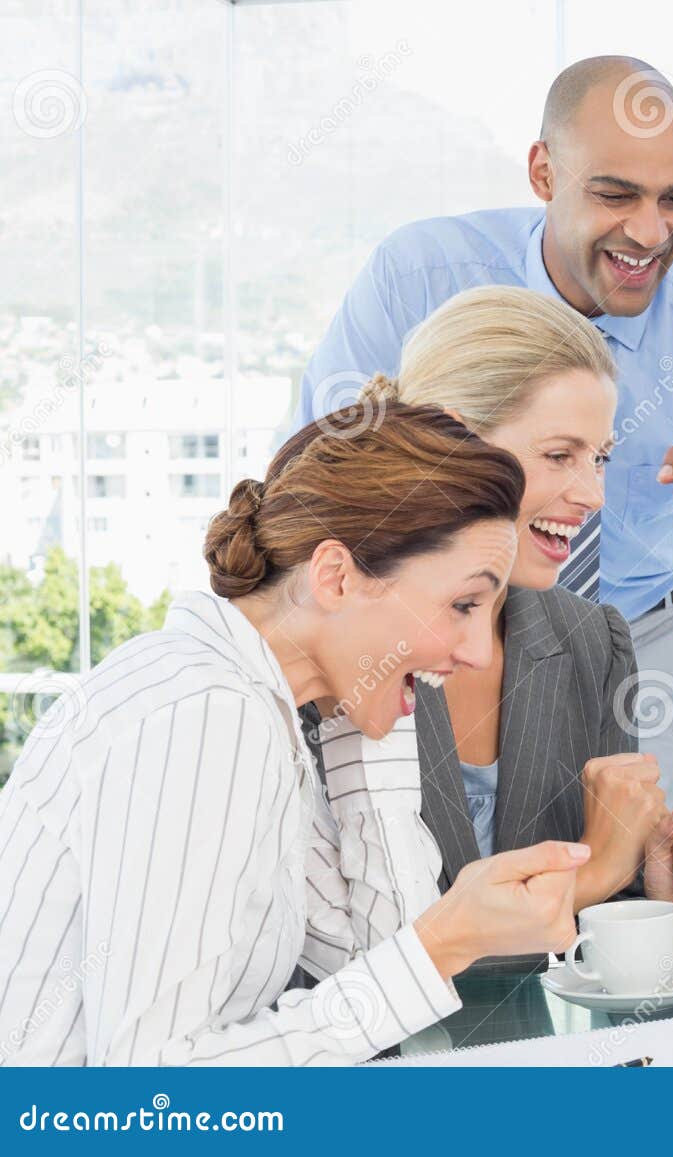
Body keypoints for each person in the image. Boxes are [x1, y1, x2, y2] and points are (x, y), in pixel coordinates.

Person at [297, 55, 673, 806]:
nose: (650, 232)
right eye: (616, 194)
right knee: (436, 855)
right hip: (444, 627)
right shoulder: (416, 278)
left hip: (653, 629)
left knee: (653, 876)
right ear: (544, 174)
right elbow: (315, 491)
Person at [0, 405, 588, 1065]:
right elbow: (149, 1095)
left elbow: (374, 961)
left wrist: (363, 708)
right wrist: (446, 940)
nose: (480, 652)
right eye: (462, 605)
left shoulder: (270, 714)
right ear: (336, 576)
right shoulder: (205, 717)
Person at [304, 286, 673, 954]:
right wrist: (592, 872)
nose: (592, 494)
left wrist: (660, 913)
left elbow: (586, 945)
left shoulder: (592, 639)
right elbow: (367, 950)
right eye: (560, 455)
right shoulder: (336, 646)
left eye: (600, 458)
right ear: (455, 443)